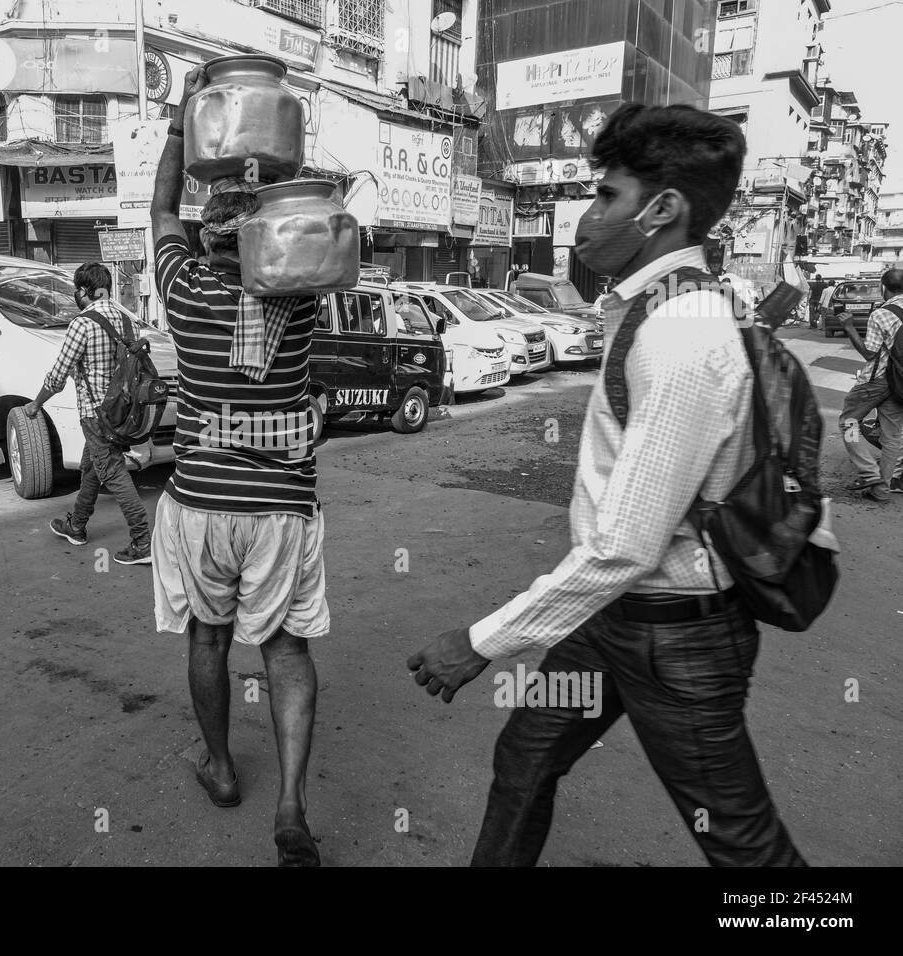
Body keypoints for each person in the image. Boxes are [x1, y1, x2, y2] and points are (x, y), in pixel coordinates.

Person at [407, 103, 807, 867]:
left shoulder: (684, 333)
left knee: (740, 840)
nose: (587, 219)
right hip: (605, 623)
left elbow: (626, 544)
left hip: (678, 637)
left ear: (662, 210)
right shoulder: (652, 309)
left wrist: (480, 642)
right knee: (525, 758)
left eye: (606, 195)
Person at [150, 66, 327, 866]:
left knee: (208, 636)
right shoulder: (301, 302)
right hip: (281, 507)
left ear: (207, 235)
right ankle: (290, 806)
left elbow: (160, 211)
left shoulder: (183, 290)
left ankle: (222, 769)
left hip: (201, 503)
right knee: (286, 650)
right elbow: (308, 225)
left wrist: (183, 124)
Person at [24, 262, 152, 566]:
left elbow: (58, 374)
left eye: (77, 290)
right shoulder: (127, 320)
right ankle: (77, 525)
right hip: (124, 412)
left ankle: (143, 540)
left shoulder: (82, 323)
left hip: (95, 414)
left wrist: (35, 404)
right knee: (91, 467)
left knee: (111, 471)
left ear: (84, 291)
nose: (76, 296)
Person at [839, 268, 903, 501]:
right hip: (900, 383)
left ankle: (868, 472)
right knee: (892, 436)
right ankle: (882, 489)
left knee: (848, 423)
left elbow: (869, 353)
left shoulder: (882, 314)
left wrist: (848, 328)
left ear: (883, 288)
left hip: (877, 381)